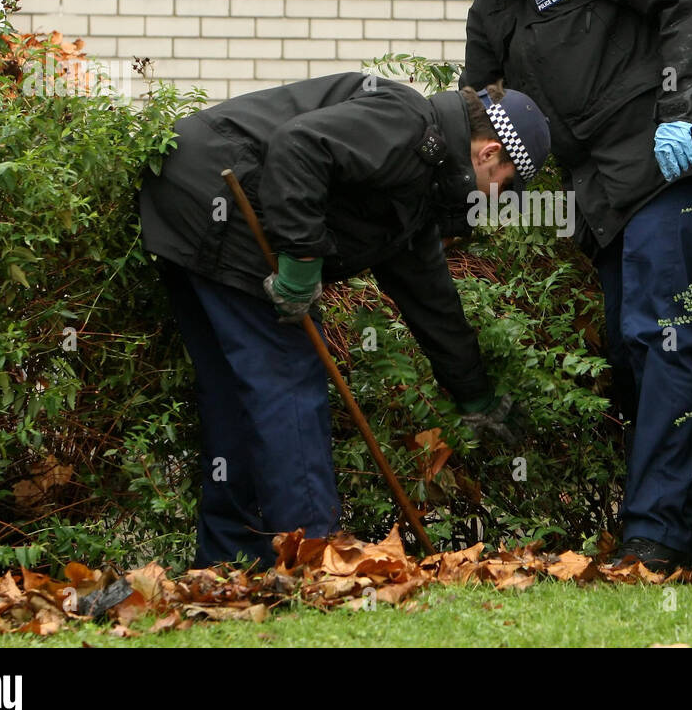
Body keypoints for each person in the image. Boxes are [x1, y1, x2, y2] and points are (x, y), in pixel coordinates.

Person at [448, 0, 692, 573]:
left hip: (661, 156)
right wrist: (465, 194)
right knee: (626, 352)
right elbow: (477, 107)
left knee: (657, 334)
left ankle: (648, 535)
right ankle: (688, 526)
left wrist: (679, 113)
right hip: (598, 190)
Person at [137, 72, 549, 569]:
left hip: (187, 194)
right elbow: (300, 145)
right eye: (504, 188)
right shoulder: (408, 120)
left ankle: (229, 560)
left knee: (233, 393)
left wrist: (473, 392)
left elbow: (430, 299)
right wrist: (300, 262)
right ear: (488, 153)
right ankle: (319, 560)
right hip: (221, 195)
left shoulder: (418, 193)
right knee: (289, 379)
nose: (494, 202)